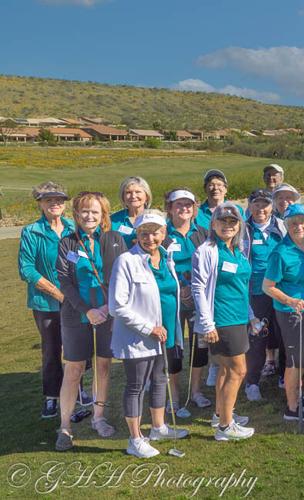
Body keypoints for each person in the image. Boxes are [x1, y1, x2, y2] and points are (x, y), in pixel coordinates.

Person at [109, 210, 189, 458]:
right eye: (144, 233)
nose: (150, 238)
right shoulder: (126, 261)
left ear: (163, 233)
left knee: (160, 379)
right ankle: (135, 439)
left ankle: (158, 427)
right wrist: (148, 328)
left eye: (155, 232)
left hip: (166, 333)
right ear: (137, 234)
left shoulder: (166, 258)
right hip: (139, 337)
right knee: (136, 385)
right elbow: (117, 306)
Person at [55, 192, 127, 451]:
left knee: (103, 367)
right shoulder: (67, 243)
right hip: (77, 315)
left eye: (95, 211)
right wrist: (87, 310)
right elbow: (65, 282)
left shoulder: (115, 239)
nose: (89, 216)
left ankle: (99, 417)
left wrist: (108, 307)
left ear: (103, 214)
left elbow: (123, 275)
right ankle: (65, 426)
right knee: (73, 370)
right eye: (84, 211)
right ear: (76, 214)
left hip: (108, 314)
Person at [192, 202, 259, 440]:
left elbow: (241, 287)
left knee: (225, 368)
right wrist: (207, 324)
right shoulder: (207, 250)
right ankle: (225, 427)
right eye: (223, 221)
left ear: (239, 225)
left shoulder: (238, 250)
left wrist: (251, 316)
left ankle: (221, 414)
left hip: (238, 317)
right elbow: (198, 288)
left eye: (233, 221)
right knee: (238, 370)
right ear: (213, 224)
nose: (228, 225)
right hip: (222, 319)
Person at [262, 203, 304, 421]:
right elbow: (267, 286)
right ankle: (291, 408)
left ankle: (299, 395)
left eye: (302, 222)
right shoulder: (281, 252)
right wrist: (290, 301)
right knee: (295, 360)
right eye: (294, 223)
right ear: (286, 225)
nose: (299, 226)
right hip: (291, 313)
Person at [19, 182, 75, 419]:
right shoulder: (32, 232)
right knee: (52, 349)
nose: (55, 204)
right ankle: (52, 396)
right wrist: (59, 294)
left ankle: (78, 389)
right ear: (40, 204)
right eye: (49, 200)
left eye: (59, 200)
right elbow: (27, 270)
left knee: (76, 346)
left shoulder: (73, 227)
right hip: (46, 303)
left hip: (76, 301)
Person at [163, 188, 210, 415]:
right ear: (170, 208)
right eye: (179, 204)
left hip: (198, 299)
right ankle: (174, 395)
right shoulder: (162, 233)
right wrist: (179, 288)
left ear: (194, 209)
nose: (184, 209)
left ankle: (196, 391)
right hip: (171, 299)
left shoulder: (202, 233)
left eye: (188, 205)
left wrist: (194, 289)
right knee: (173, 346)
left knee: (199, 346)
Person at [242, 189, 285, 402]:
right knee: (257, 337)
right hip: (256, 293)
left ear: (272, 206)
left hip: (280, 290)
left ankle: (285, 376)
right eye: (256, 204)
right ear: (249, 206)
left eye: (265, 204)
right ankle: (252, 382)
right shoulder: (243, 230)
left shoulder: (282, 227)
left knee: (284, 335)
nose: (261, 209)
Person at [110, 176, 152, 247]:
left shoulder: (156, 218)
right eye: (128, 192)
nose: (133, 196)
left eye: (138, 192)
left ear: (147, 196)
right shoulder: (113, 220)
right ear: (123, 197)